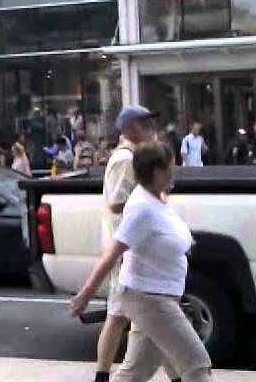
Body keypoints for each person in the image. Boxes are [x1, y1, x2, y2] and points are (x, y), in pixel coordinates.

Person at [71, 143, 212, 382]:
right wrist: (86, 294)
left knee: (136, 371)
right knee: (196, 364)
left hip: (157, 297)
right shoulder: (141, 208)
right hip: (150, 299)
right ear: (157, 172)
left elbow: (162, 233)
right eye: (170, 167)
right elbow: (113, 253)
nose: (175, 171)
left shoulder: (156, 199)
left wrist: (185, 244)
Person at [88, 106, 180, 382]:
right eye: (144, 123)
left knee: (150, 322)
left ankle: (177, 376)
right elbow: (117, 202)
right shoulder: (125, 159)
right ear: (129, 128)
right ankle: (102, 376)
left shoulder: (136, 157)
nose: (150, 128)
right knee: (120, 317)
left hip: (134, 251)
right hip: (126, 253)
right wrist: (151, 197)